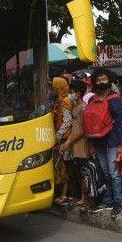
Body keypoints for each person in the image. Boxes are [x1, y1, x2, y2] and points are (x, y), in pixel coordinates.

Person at [86, 67, 122, 216]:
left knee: (114, 173)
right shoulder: (92, 100)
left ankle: (118, 202)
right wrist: (91, 144)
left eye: (104, 79)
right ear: (95, 82)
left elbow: (120, 123)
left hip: (113, 142)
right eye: (99, 79)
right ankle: (108, 200)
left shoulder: (115, 100)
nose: (102, 82)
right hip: (98, 142)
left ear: (109, 80)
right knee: (104, 172)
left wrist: (120, 144)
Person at [60, 79, 91, 207]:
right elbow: (74, 128)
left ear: (77, 93)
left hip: (83, 145)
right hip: (75, 145)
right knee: (79, 171)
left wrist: (69, 142)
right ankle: (82, 197)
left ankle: (86, 198)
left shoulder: (83, 108)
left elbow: (83, 130)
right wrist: (68, 142)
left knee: (84, 172)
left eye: (71, 92)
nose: (70, 94)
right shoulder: (75, 108)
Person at [52, 77, 72, 205]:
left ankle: (65, 195)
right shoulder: (58, 102)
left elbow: (67, 121)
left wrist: (57, 135)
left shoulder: (66, 101)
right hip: (60, 138)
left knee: (64, 167)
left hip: (65, 138)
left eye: (54, 87)